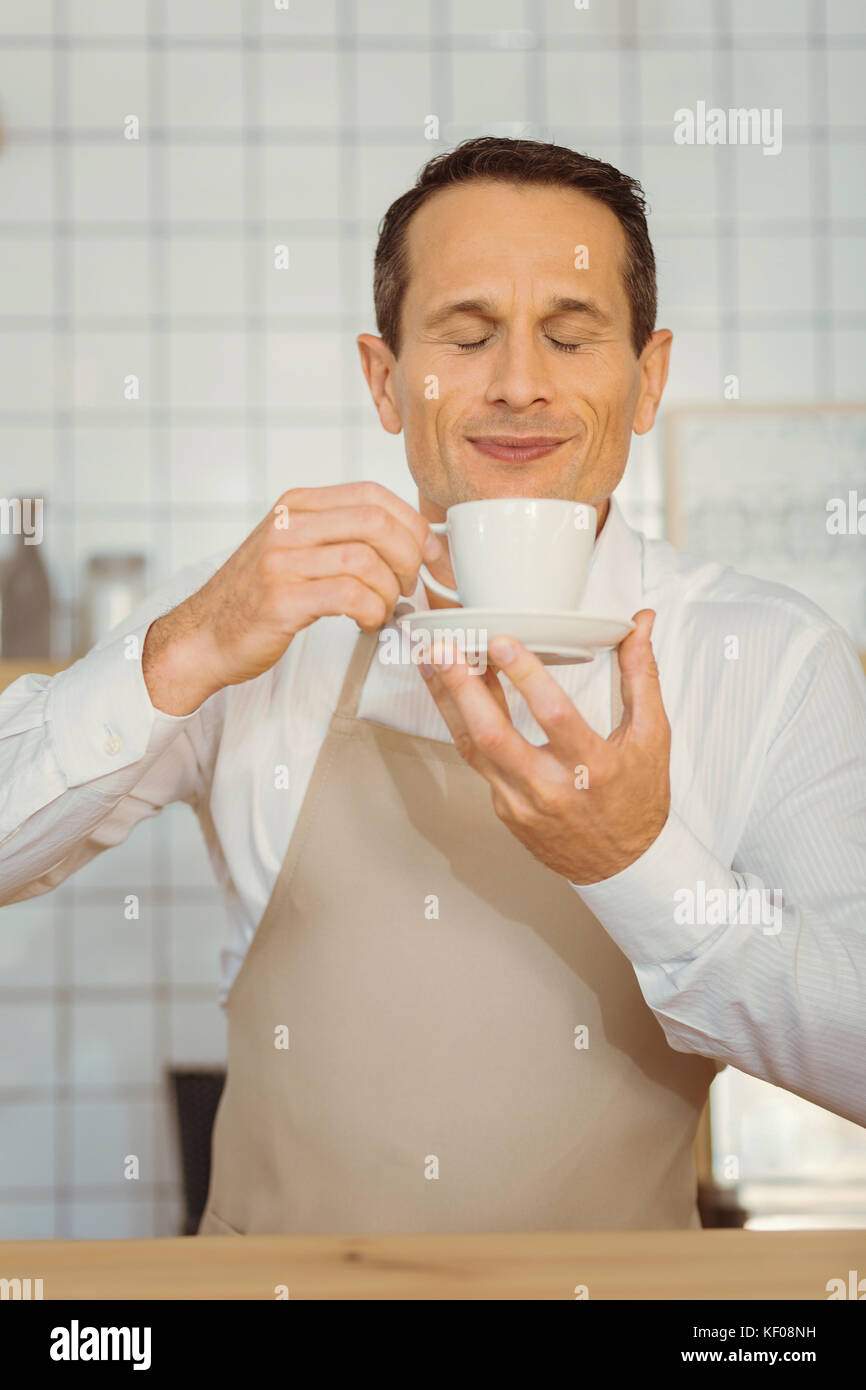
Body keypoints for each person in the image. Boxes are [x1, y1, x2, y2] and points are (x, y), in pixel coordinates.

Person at [1, 138, 864, 1236]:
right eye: (464, 335)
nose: (517, 381)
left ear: (644, 379)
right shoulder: (258, 623)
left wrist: (641, 867)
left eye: (570, 333)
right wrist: (181, 652)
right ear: (383, 379)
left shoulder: (767, 655)